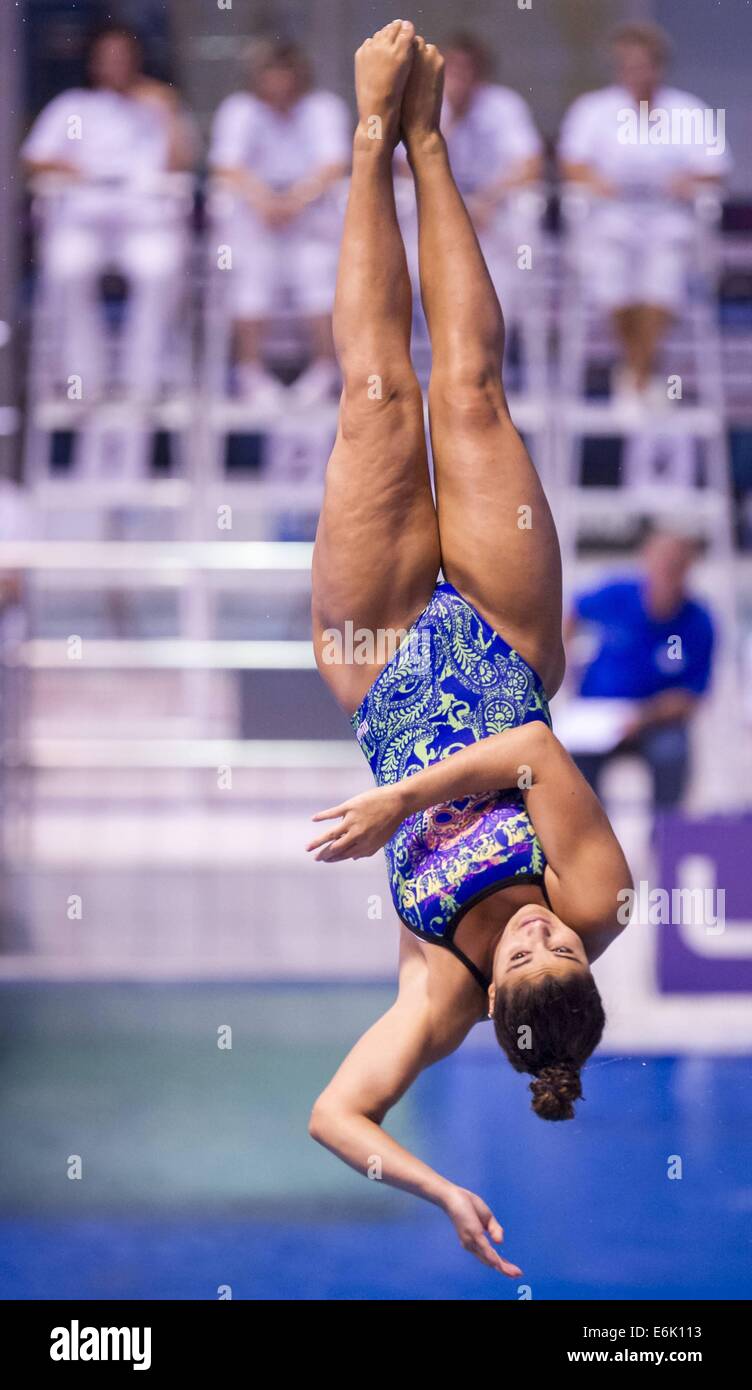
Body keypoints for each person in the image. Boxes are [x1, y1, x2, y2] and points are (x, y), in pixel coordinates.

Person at [306, 23, 632, 1275]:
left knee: (376, 393)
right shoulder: (595, 896)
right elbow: (530, 745)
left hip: (376, 654)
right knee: (473, 391)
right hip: (501, 642)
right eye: (563, 944)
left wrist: (435, 1185)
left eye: (528, 955)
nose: (545, 933)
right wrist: (402, 798)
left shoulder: (439, 996)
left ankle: (365, 138)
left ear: (490, 1005)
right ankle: (430, 138)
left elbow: (335, 1113)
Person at [558, 21, 730, 408]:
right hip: (610, 218)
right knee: (611, 276)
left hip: (668, 220)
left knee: (663, 277)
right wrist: (599, 183)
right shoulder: (594, 109)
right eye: (627, 65)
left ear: (659, 66)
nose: (635, 74)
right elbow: (571, 162)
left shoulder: (688, 109)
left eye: (643, 65)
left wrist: (686, 180)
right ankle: (642, 372)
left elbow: (717, 167)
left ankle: (634, 372)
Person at [21, 22, 195, 402]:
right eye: (108, 58)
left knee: (160, 269)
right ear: (95, 63)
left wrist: (168, 113)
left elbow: (181, 163)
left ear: (136, 61)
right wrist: (68, 168)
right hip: (84, 218)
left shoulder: (157, 106)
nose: (115, 65)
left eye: (123, 57)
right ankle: (84, 379)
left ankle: (143, 379)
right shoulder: (73, 106)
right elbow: (33, 159)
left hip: (144, 220)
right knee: (68, 267)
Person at [209, 39, 351, 408]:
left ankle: (324, 370)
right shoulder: (239, 110)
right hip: (256, 217)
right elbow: (227, 165)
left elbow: (334, 164)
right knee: (251, 273)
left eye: (285, 75)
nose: (278, 84)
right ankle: (250, 372)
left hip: (309, 216)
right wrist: (265, 201)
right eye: (270, 75)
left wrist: (295, 200)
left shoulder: (323, 108)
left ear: (299, 75)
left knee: (318, 270)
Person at [564, 530, 715, 810]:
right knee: (567, 759)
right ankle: (588, 839)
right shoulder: (616, 594)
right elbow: (571, 615)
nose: (667, 572)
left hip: (656, 722)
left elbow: (690, 696)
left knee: (672, 753)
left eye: (675, 565)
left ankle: (665, 837)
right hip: (597, 715)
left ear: (687, 569)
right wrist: (564, 664)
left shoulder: (698, 622)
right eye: (661, 562)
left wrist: (642, 718)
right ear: (646, 560)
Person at [396, 31, 542, 317]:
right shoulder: (423, 103)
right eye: (453, 70)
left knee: (511, 250)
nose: (459, 79)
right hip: (437, 209)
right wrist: (448, 123)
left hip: (491, 210)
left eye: (467, 71)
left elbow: (530, 165)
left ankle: (498, 331)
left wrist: (488, 199)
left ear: (481, 76)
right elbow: (406, 167)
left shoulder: (504, 106)